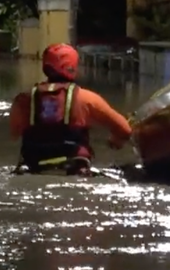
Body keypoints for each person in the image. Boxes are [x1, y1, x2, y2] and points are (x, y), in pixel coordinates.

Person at [9, 43, 133, 175]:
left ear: (45, 66)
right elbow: (125, 130)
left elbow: (14, 134)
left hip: (33, 166)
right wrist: (115, 141)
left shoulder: (23, 99)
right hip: (74, 167)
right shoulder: (87, 99)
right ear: (73, 66)